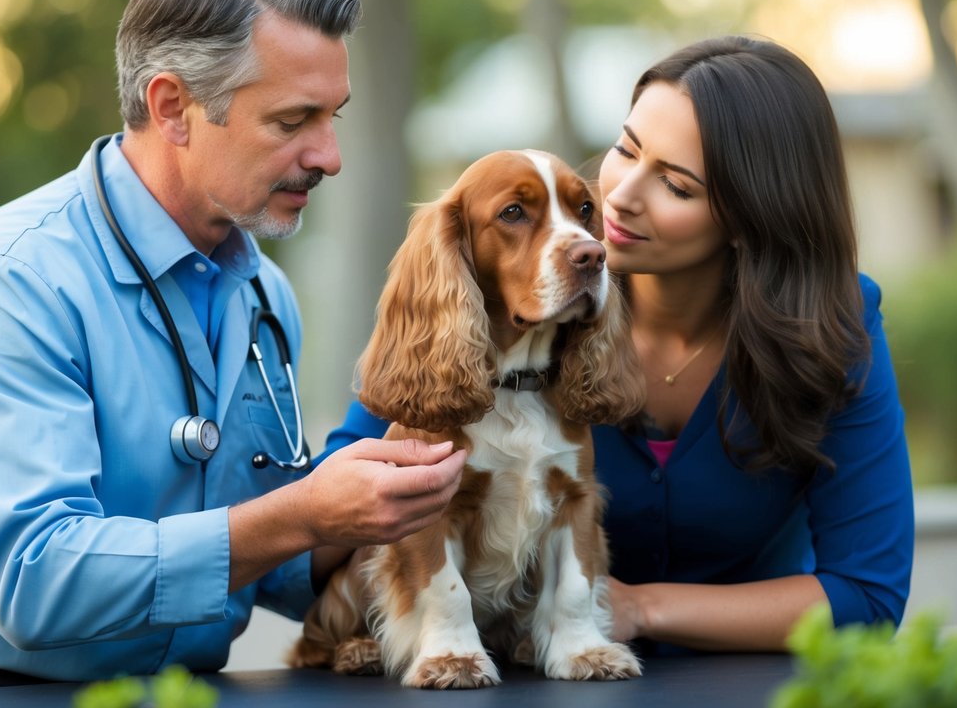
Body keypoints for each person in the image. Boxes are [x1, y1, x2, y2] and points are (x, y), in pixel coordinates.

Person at [0, 0, 466, 689]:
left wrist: (385, 490)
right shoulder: (7, 285)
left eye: (333, 118)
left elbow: (270, 571)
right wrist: (306, 515)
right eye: (291, 121)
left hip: (188, 694)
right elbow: (35, 582)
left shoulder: (263, 296)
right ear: (172, 107)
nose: (329, 156)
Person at [325, 35, 913, 654]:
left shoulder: (833, 326)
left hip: (748, 686)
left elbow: (866, 597)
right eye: (625, 150)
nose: (621, 197)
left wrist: (638, 607)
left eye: (677, 186)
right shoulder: (503, 295)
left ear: (753, 219)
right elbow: (338, 502)